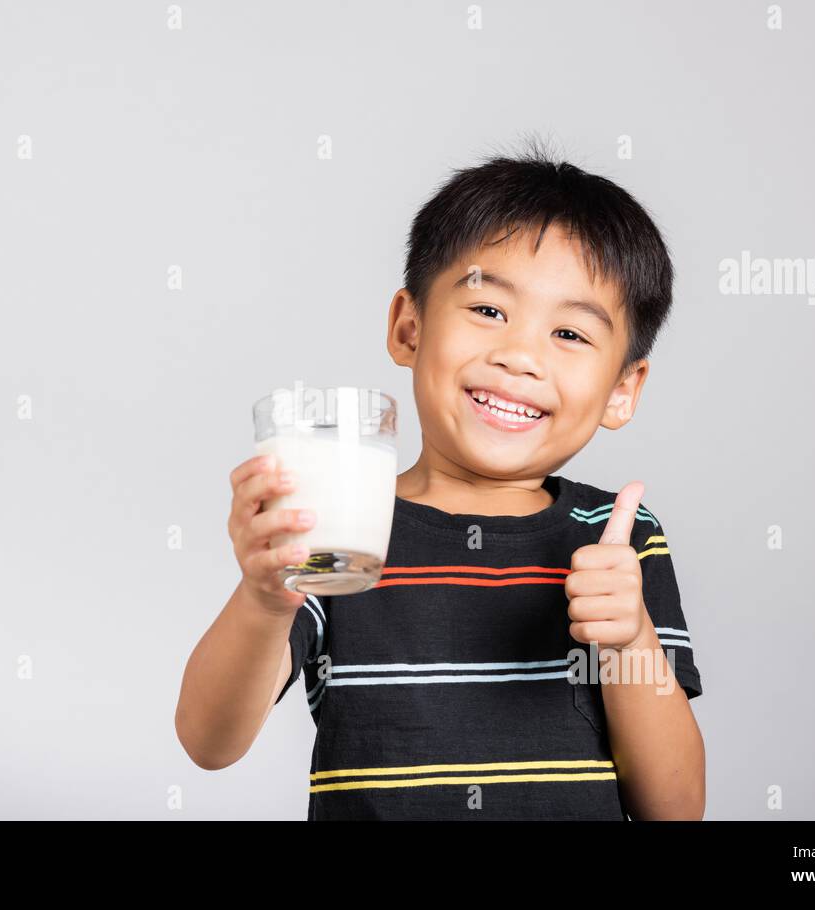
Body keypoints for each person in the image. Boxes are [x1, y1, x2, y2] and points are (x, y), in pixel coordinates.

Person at [175, 138, 705, 820]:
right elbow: (208, 742)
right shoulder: (343, 524)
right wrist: (265, 598)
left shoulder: (617, 542)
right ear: (408, 327)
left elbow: (675, 808)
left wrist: (631, 639)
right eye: (488, 311)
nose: (519, 356)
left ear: (622, 391)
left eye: (570, 335)